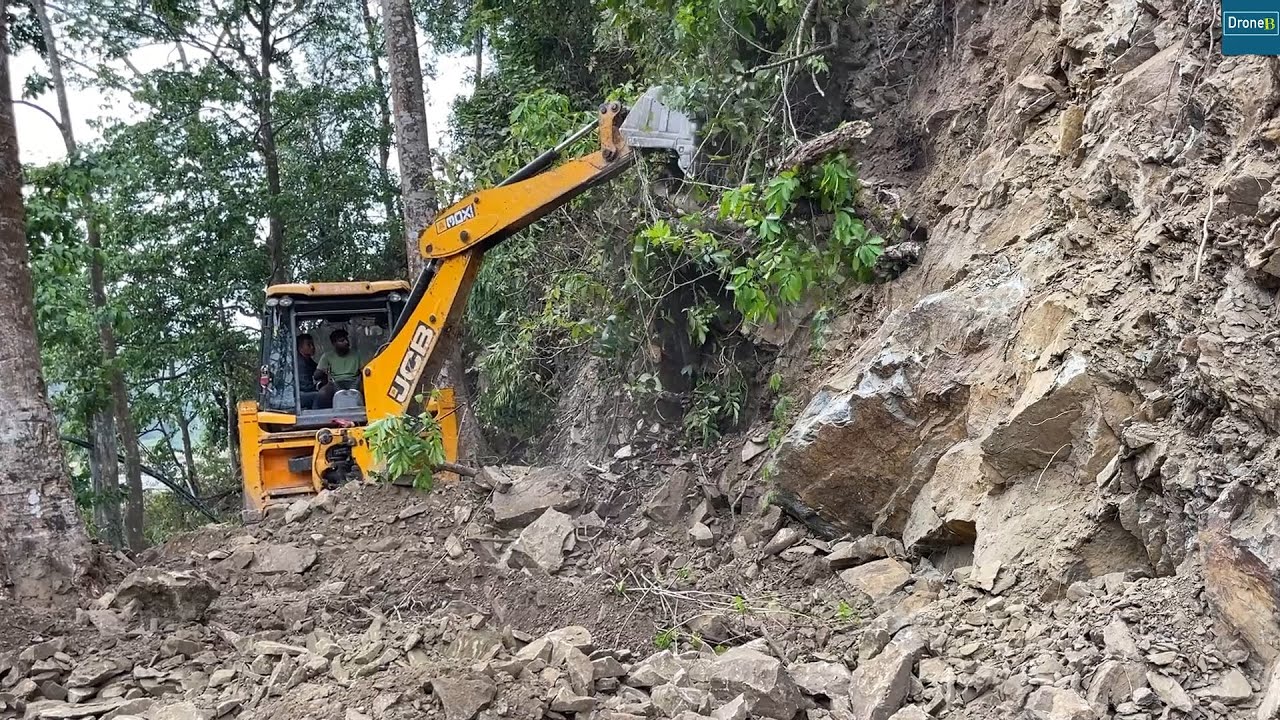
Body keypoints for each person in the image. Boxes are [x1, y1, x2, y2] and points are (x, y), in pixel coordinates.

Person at [315, 328, 363, 409]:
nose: (346, 342)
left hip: (354, 382)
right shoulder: (327, 356)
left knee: (371, 391)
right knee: (322, 394)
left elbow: (364, 371)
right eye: (342, 341)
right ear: (334, 344)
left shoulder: (356, 355)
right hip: (334, 383)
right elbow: (316, 375)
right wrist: (322, 371)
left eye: (347, 339)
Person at [297, 333, 320, 409]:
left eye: (312, 344)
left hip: (304, 392)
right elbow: (304, 386)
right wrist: (317, 388)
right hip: (298, 394)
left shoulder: (308, 360)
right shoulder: (299, 363)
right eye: (308, 345)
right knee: (318, 396)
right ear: (300, 347)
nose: (312, 347)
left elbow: (318, 369)